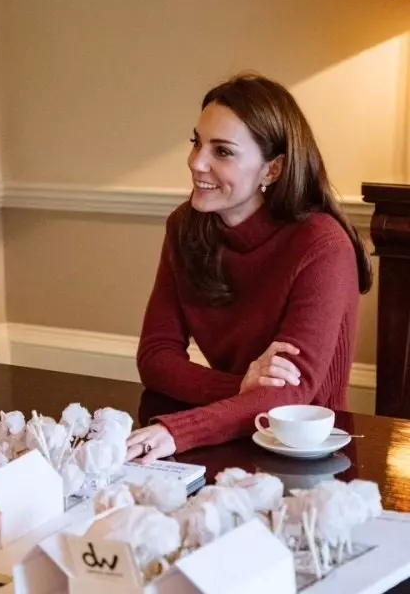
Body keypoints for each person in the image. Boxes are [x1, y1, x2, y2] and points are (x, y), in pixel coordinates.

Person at [125, 73, 373, 463]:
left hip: (306, 455)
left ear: (272, 170)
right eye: (197, 143)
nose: (196, 162)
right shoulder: (185, 227)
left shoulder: (322, 246)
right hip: (228, 436)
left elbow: (292, 394)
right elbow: (155, 358)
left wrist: (180, 430)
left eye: (222, 151)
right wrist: (243, 386)